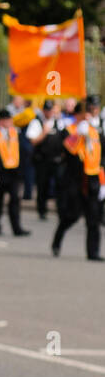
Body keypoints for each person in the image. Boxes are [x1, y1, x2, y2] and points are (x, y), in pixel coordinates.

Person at [51, 100, 104, 260]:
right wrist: (78, 135)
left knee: (93, 218)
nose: (89, 115)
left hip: (92, 179)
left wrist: (102, 182)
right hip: (75, 179)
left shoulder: (95, 131)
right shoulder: (69, 130)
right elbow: (63, 149)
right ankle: (57, 239)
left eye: (92, 111)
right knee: (72, 215)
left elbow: (101, 157)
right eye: (86, 112)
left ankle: (93, 252)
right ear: (78, 114)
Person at [0, 105, 31, 237]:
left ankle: (16, 227)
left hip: (13, 173)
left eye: (10, 120)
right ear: (0, 121)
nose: (8, 123)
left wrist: (22, 171)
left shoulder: (16, 134)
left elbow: (23, 152)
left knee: (15, 200)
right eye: (6, 120)